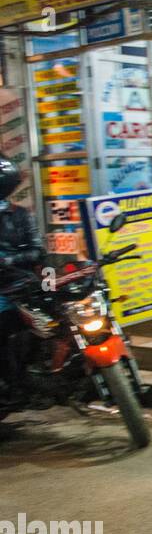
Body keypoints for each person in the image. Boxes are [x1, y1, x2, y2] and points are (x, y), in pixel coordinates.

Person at [0, 158, 41, 404]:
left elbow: (37, 250)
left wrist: (9, 260)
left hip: (25, 284)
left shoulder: (21, 215)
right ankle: (12, 382)